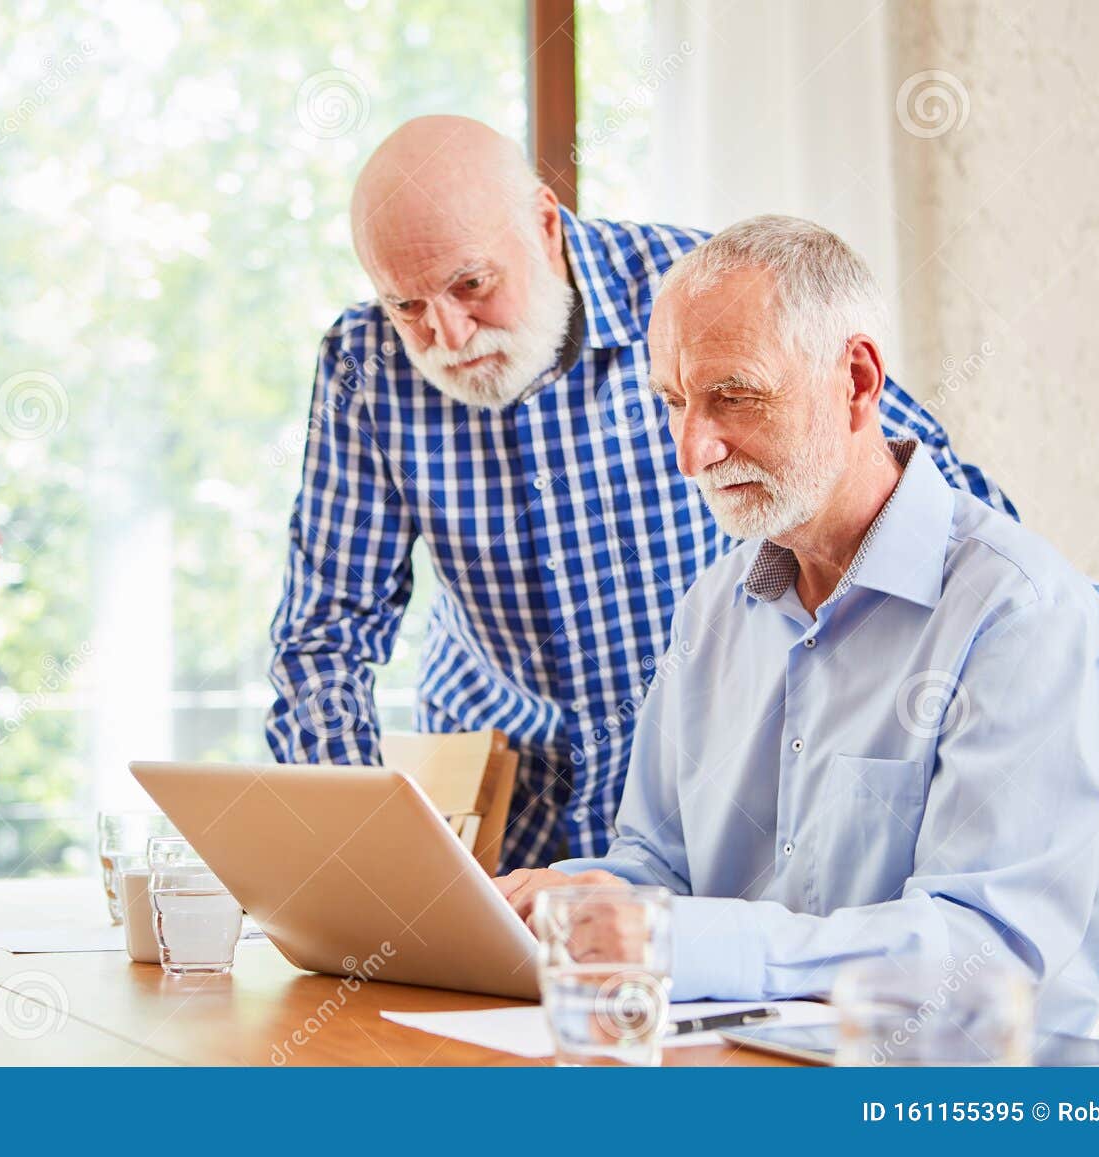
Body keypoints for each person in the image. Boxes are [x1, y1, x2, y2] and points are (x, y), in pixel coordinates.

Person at [266, 115, 1017, 872]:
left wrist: (990, 658)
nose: (450, 335)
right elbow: (324, 631)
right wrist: (357, 849)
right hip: (497, 796)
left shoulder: (696, 296)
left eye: (472, 285)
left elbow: (923, 493)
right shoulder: (364, 364)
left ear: (544, 224)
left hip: (697, 796)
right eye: (408, 307)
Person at [494, 215, 1099, 1036]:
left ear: (858, 381)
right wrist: (572, 902)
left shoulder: (1023, 614)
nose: (691, 453)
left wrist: (685, 940)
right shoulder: (713, 608)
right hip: (742, 1069)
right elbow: (657, 865)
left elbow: (987, 948)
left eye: (733, 396)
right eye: (674, 403)